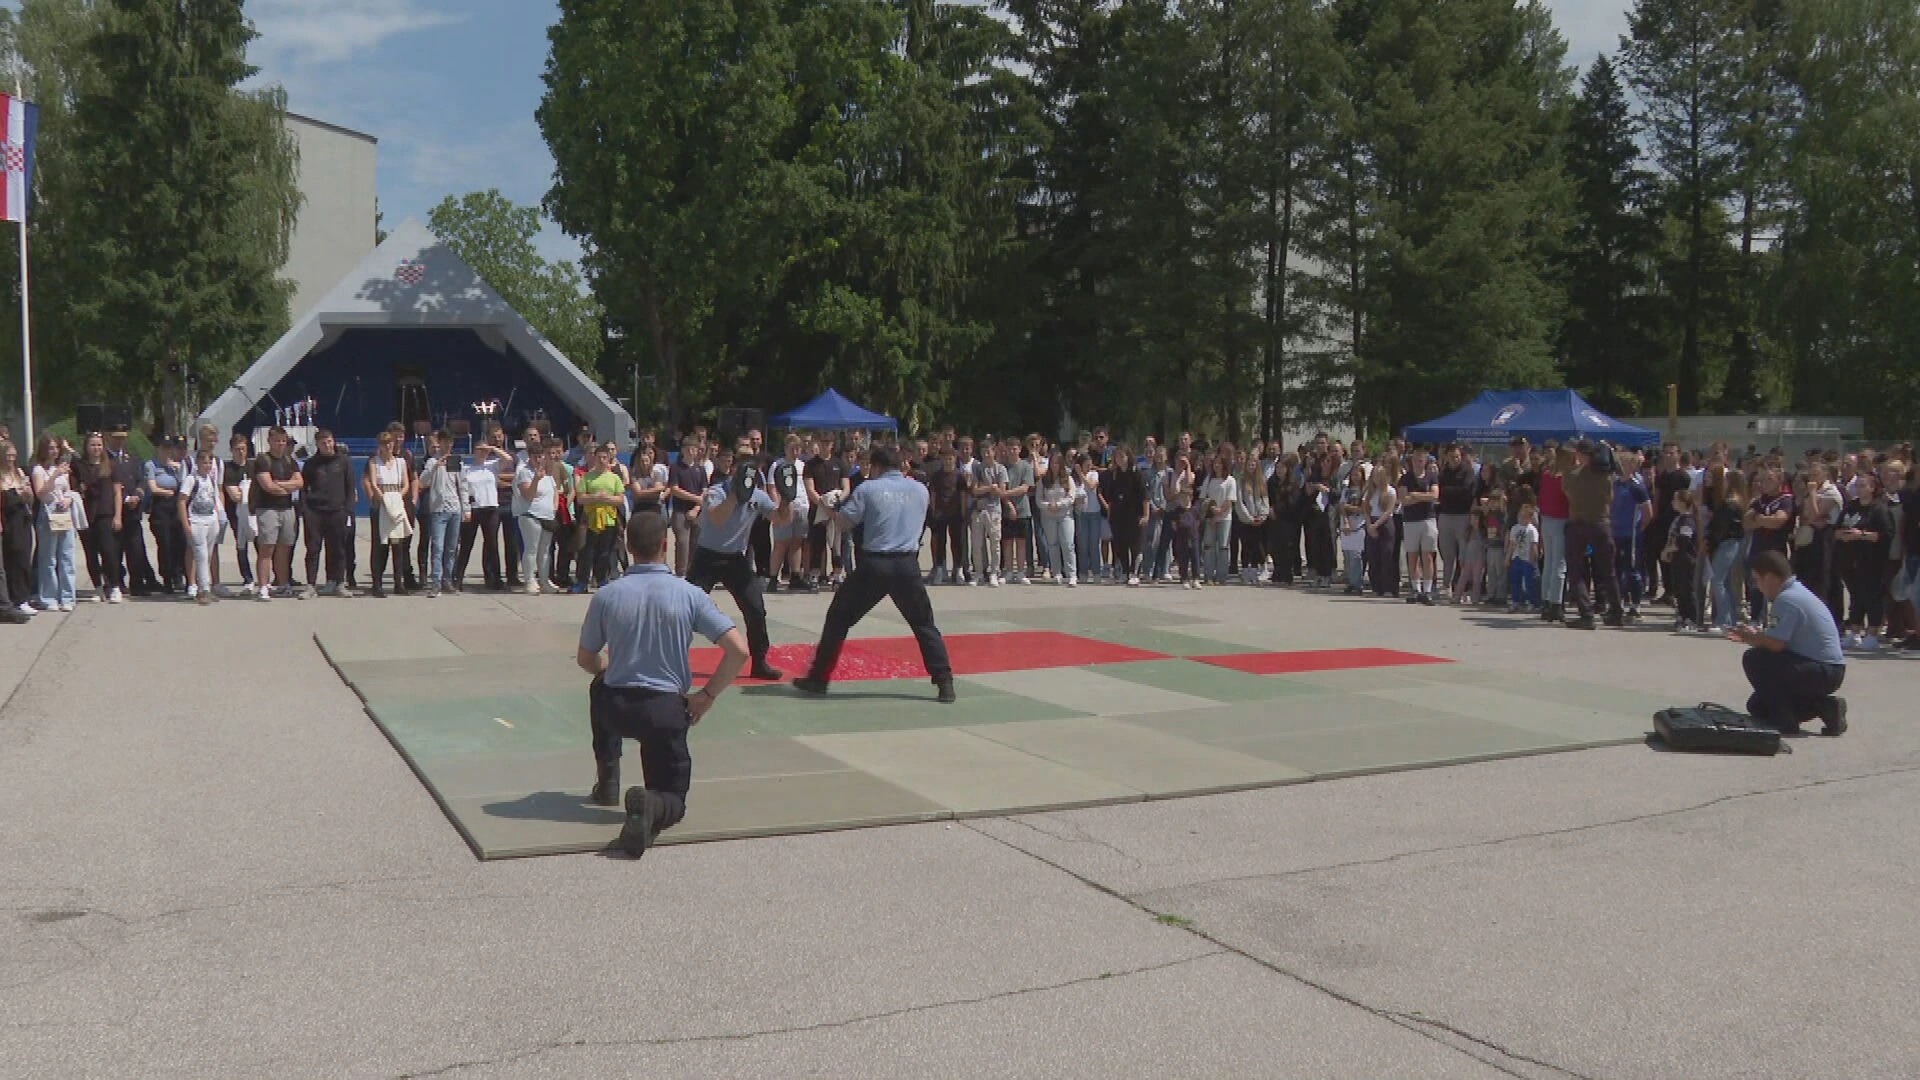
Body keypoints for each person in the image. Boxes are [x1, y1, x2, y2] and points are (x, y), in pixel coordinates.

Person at [578, 512, 750, 858]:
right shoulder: (688, 594)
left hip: (616, 708)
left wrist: (606, 667)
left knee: (599, 685)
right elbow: (739, 650)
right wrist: (707, 695)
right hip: (663, 710)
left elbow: (586, 659)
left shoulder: (607, 595)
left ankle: (608, 775)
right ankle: (653, 806)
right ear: (666, 545)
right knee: (673, 796)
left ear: (628, 546)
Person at [793, 445, 955, 703]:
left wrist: (834, 509)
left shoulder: (869, 488)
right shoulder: (920, 489)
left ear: (877, 467)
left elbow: (846, 522)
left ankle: (818, 678)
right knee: (924, 623)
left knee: (839, 617)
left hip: (875, 563)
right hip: (907, 564)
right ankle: (944, 681)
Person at [686, 443, 785, 681]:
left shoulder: (757, 496)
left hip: (735, 559)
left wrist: (787, 498)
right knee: (685, 609)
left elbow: (781, 519)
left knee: (755, 608)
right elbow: (717, 519)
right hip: (707, 557)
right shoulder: (716, 492)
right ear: (734, 471)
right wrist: (735, 493)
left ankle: (759, 661)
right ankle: (667, 658)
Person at [1730, 550, 1847, 736]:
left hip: (1822, 670)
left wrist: (1750, 638)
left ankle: (1785, 722)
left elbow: (1776, 645)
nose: (1757, 586)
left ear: (1769, 577)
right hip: (1826, 669)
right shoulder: (1794, 593)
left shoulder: (1787, 600)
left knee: (1755, 659)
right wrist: (1759, 636)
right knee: (1758, 706)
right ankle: (1825, 707)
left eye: (1757, 579)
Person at [1558, 440, 1622, 629]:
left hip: (1578, 524)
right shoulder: (1606, 476)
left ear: (1579, 454)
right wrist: (1610, 452)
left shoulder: (1571, 475)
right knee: (1608, 571)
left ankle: (1586, 613)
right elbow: (1611, 495)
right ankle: (1616, 612)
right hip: (1601, 523)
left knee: (1576, 571)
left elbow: (1567, 493)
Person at [1835, 472, 1894, 649]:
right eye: (1857, 486)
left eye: (1863, 486)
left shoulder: (1879, 508)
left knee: (1872, 596)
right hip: (1850, 559)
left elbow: (1886, 535)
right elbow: (1837, 528)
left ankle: (1873, 633)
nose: (1859, 489)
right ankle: (1855, 632)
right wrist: (1842, 535)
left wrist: (1861, 535)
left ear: (1872, 487)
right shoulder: (1851, 506)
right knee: (1856, 596)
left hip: (1872, 560)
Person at [300, 429, 357, 597]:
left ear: (334, 441)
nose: (327, 445)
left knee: (338, 549)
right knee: (313, 549)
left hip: (337, 511)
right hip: (315, 512)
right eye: (323, 442)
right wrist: (305, 510)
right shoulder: (311, 464)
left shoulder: (344, 462)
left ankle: (338, 582)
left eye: (329, 441)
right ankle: (311, 585)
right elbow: (303, 488)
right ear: (317, 444)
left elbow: (350, 488)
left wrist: (348, 511)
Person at [250, 426, 304, 601]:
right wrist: (287, 486)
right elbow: (267, 486)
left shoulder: (290, 461)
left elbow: (299, 482)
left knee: (284, 548)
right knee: (267, 548)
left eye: (283, 441)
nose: (280, 444)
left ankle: (283, 584)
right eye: (277, 441)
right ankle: (263, 586)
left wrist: (280, 485)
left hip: (288, 509)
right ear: (269, 441)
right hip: (267, 509)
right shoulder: (262, 460)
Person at [71, 433, 124, 605]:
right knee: (91, 554)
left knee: (109, 552)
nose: (96, 448)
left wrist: (117, 515)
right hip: (86, 516)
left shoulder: (110, 466)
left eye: (99, 445)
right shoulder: (80, 466)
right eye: (93, 445)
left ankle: (115, 586)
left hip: (105, 514)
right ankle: (98, 587)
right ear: (86, 447)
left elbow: (117, 493)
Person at [454, 439, 511, 592]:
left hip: (491, 508)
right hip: (473, 509)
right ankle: (457, 578)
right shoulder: (467, 468)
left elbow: (508, 459)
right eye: (479, 450)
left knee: (492, 544)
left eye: (484, 451)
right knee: (466, 544)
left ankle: (496, 578)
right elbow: (463, 489)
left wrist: (492, 448)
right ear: (474, 451)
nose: (482, 453)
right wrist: (465, 509)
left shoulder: (492, 465)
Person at [364, 431, 416, 598]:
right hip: (382, 502)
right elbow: (373, 482)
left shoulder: (401, 462)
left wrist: (398, 499)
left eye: (390, 443)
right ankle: (377, 584)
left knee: (398, 544)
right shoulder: (374, 462)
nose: (387, 446)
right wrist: (383, 500)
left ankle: (398, 583)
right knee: (380, 545)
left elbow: (406, 483)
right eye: (384, 443)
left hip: (397, 499)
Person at [106, 425, 157, 596]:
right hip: (115, 511)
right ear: (109, 437)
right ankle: (117, 582)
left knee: (136, 548)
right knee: (115, 550)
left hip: (133, 512)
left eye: (122, 437)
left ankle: (137, 583)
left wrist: (137, 495)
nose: (120, 441)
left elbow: (140, 480)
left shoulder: (131, 459)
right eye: (116, 437)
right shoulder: (105, 459)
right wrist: (125, 498)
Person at [416, 431, 466, 598]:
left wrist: (466, 508)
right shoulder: (431, 461)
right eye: (445, 442)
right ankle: (436, 582)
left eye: (450, 442)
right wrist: (435, 466)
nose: (448, 445)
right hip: (438, 509)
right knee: (437, 546)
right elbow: (422, 481)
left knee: (451, 548)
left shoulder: (455, 461)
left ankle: (447, 580)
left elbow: (463, 486)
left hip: (455, 509)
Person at [576, 442, 627, 591]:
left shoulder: (614, 478)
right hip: (590, 520)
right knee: (587, 552)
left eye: (605, 457)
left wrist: (607, 499)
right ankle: (582, 581)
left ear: (609, 458)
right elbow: (580, 498)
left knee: (605, 552)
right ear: (594, 458)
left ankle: (602, 579)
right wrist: (595, 497)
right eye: (599, 457)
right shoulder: (587, 477)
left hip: (609, 520)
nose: (602, 460)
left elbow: (620, 499)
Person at [180, 448, 227, 605]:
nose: (206, 465)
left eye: (209, 463)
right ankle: (202, 590)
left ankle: (205, 587)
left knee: (208, 554)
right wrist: (186, 524)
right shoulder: (191, 479)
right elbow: (181, 501)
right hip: (196, 520)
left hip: (210, 519)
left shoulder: (210, 479)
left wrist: (217, 517)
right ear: (197, 463)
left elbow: (214, 498)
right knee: (200, 554)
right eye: (203, 462)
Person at [513, 439, 559, 594]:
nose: (539, 459)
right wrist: (536, 479)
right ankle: (530, 580)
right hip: (530, 515)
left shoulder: (548, 473)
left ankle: (545, 580)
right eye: (535, 456)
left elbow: (555, 491)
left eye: (541, 456)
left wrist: (554, 508)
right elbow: (528, 495)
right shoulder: (524, 472)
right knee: (531, 549)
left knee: (545, 551)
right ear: (529, 457)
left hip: (547, 516)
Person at [145, 437, 188, 594]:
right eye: (164, 448)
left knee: (180, 542)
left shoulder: (175, 467)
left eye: (170, 448)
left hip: (175, 507)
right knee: (165, 544)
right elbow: (153, 487)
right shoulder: (152, 465)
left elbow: (184, 484)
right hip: (160, 506)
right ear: (158, 449)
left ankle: (180, 575)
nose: (167, 451)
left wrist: (179, 468)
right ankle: (167, 578)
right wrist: (168, 492)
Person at [0, 441, 37, 615]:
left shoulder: (19, 473)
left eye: (13, 456)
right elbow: (5, 502)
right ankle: (16, 599)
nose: (11, 459)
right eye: (7, 456)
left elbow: (30, 498)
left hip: (23, 519)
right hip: (9, 523)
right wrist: (17, 495)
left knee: (24, 559)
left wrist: (27, 494)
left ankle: (24, 597)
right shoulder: (2, 477)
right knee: (13, 561)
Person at [1399, 449, 1439, 605]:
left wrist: (1415, 495)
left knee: (1428, 556)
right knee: (1412, 555)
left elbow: (1434, 496)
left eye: (1421, 460)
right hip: (1411, 521)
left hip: (1428, 520)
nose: (1418, 463)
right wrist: (1423, 497)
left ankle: (1427, 590)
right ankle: (1416, 588)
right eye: (1415, 460)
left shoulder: (1431, 476)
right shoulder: (1405, 478)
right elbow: (1403, 498)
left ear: (1425, 462)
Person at [1037, 455, 1080, 587]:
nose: (1054, 466)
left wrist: (1059, 504)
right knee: (1053, 545)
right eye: (1052, 463)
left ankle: (1072, 575)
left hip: (1065, 516)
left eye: (1057, 463)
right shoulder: (1044, 480)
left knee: (1067, 545)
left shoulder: (1068, 479)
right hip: (1048, 516)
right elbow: (1038, 500)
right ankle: (1057, 573)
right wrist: (1047, 505)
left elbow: (1072, 497)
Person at [967, 444, 1007, 586]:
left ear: (993, 451)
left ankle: (994, 572)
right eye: (983, 451)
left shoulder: (1000, 469)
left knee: (995, 543)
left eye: (988, 451)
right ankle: (979, 573)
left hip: (994, 509)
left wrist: (991, 489)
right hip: (978, 509)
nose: (986, 454)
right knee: (977, 543)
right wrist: (990, 487)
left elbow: (1002, 491)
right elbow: (975, 490)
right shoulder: (977, 467)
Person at [1507, 503, 1542, 612]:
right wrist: (1508, 558)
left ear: (1530, 517)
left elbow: (1534, 546)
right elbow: (1512, 544)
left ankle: (1532, 602)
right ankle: (1515, 601)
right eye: (1521, 514)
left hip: (1527, 558)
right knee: (1515, 581)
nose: (1522, 517)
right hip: (1516, 557)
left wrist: (1533, 560)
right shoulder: (1514, 528)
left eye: (1525, 515)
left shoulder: (1532, 530)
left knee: (1529, 582)